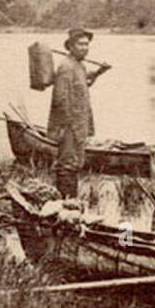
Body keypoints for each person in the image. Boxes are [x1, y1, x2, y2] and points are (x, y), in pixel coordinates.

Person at [47, 27, 109, 197]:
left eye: (87, 44)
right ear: (70, 46)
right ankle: (65, 204)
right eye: (80, 44)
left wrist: (98, 73)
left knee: (75, 164)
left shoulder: (79, 65)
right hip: (69, 127)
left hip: (78, 127)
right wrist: (69, 127)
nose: (84, 48)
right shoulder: (66, 67)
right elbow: (60, 99)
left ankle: (69, 202)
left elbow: (85, 84)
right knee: (67, 165)